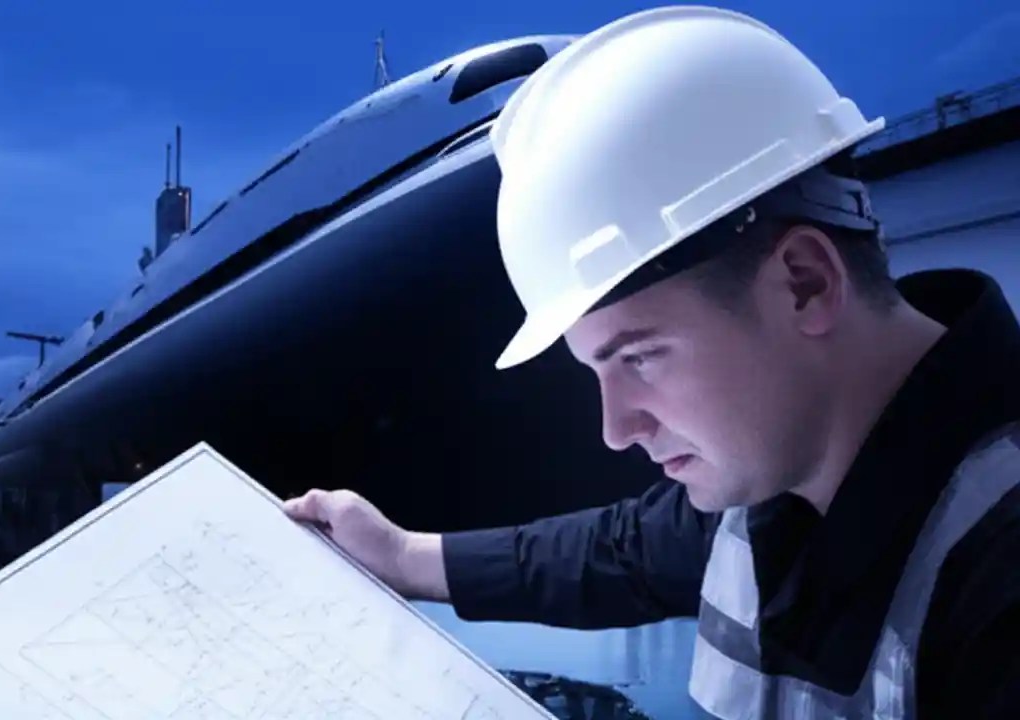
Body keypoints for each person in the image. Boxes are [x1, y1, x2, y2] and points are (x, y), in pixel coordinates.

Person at [282, 6, 1020, 719]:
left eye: (639, 357)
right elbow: (623, 551)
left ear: (806, 283)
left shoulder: (998, 577)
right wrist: (403, 555)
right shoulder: (779, 483)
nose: (616, 427)